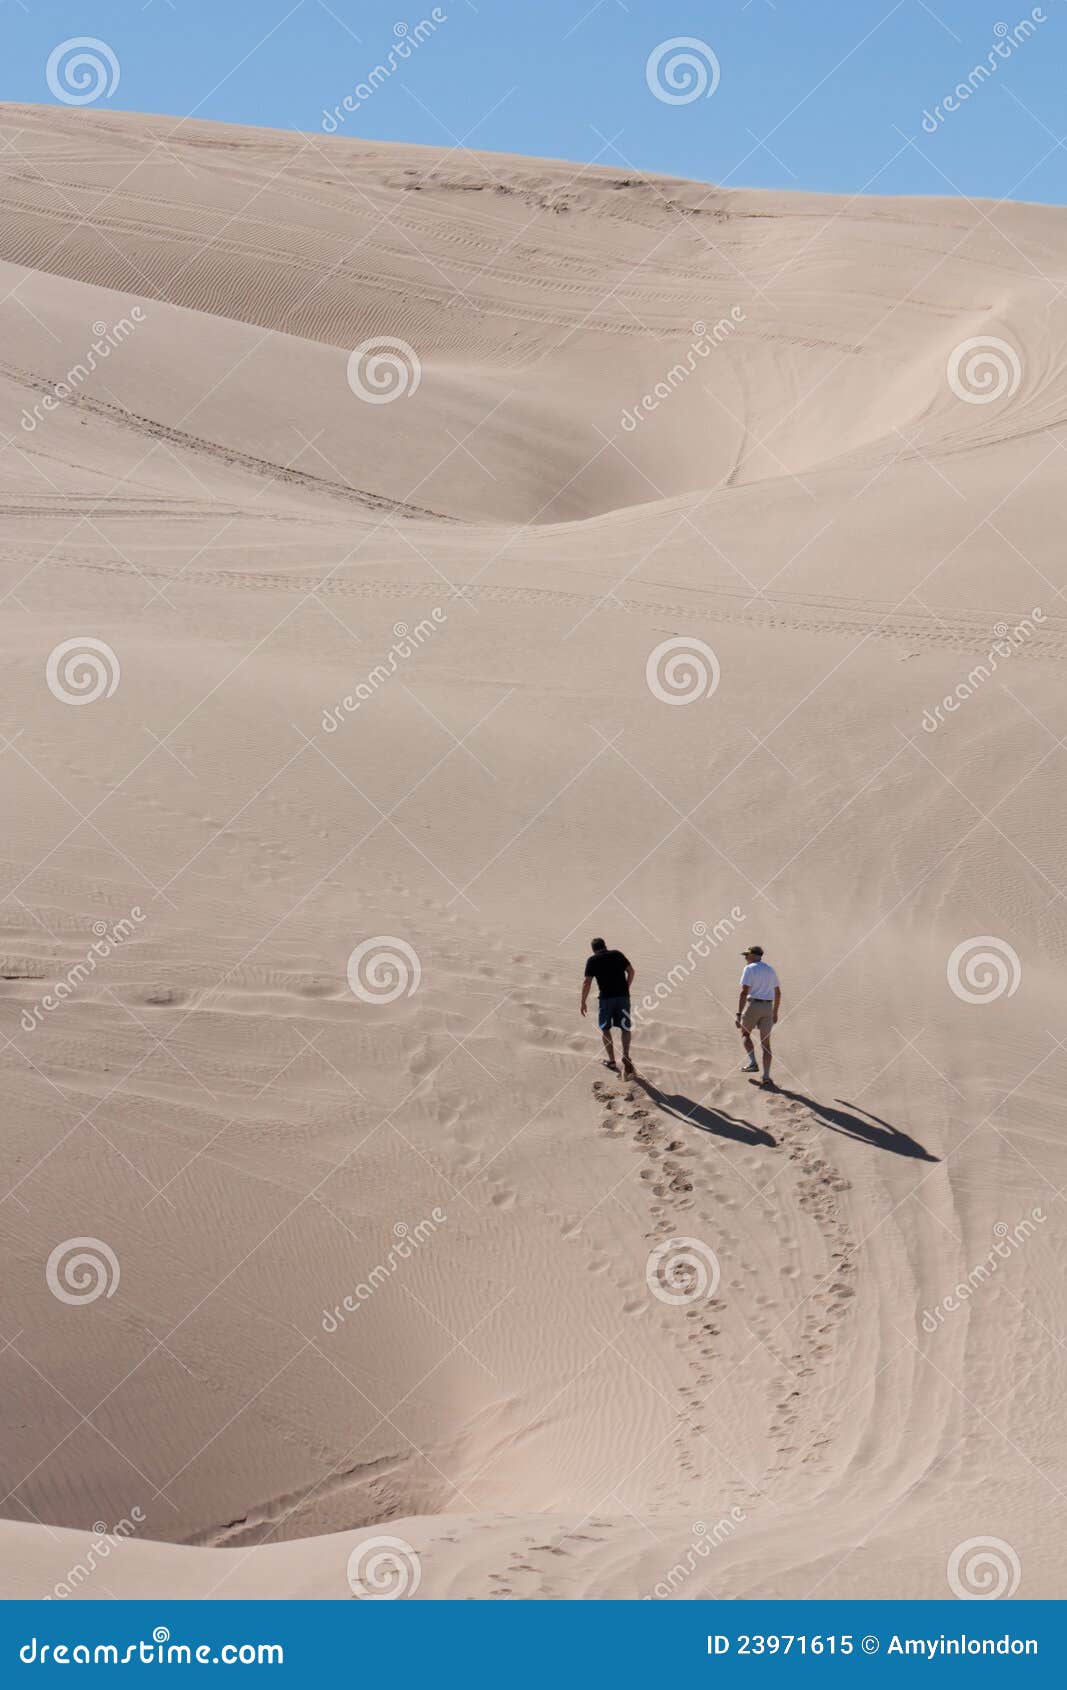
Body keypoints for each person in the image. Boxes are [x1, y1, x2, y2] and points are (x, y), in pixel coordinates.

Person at [581, 937, 635, 1076]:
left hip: (606, 999)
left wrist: (583, 1001)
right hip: (623, 997)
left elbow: (587, 982)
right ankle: (626, 1055)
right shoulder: (617, 954)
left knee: (605, 1029)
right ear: (605, 945)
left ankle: (612, 1061)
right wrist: (626, 987)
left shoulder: (592, 960)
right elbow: (631, 971)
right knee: (625, 1028)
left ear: (593, 950)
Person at [736, 944, 781, 1087]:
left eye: (747, 955)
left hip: (754, 1005)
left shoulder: (749, 968)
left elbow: (744, 992)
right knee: (766, 1044)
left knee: (745, 1033)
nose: (745, 958)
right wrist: (775, 1012)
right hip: (768, 1007)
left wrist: (739, 1014)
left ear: (754, 955)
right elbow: (778, 992)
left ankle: (752, 1063)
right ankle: (766, 1076)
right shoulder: (770, 969)